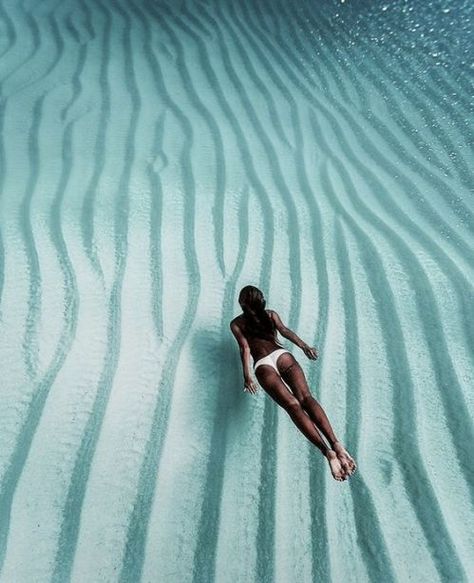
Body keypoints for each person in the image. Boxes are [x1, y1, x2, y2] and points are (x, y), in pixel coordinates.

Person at [230, 285, 356, 481]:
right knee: (306, 398)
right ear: (261, 300)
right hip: (282, 355)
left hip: (263, 365)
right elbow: (285, 331)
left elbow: (245, 348)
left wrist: (247, 376)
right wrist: (304, 346)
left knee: (293, 406)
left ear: (242, 304)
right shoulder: (271, 315)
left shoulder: (236, 323)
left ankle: (327, 452)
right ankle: (336, 443)